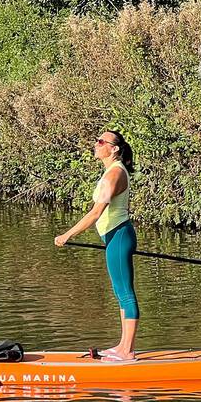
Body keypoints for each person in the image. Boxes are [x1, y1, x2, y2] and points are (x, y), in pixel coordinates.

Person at [54, 130, 139, 360]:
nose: (96, 144)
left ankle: (128, 351)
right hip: (114, 237)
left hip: (119, 236)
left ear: (114, 149)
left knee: (126, 294)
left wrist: (67, 235)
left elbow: (95, 213)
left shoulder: (114, 175)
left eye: (101, 141)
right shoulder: (111, 172)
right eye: (97, 140)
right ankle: (122, 346)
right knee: (120, 293)